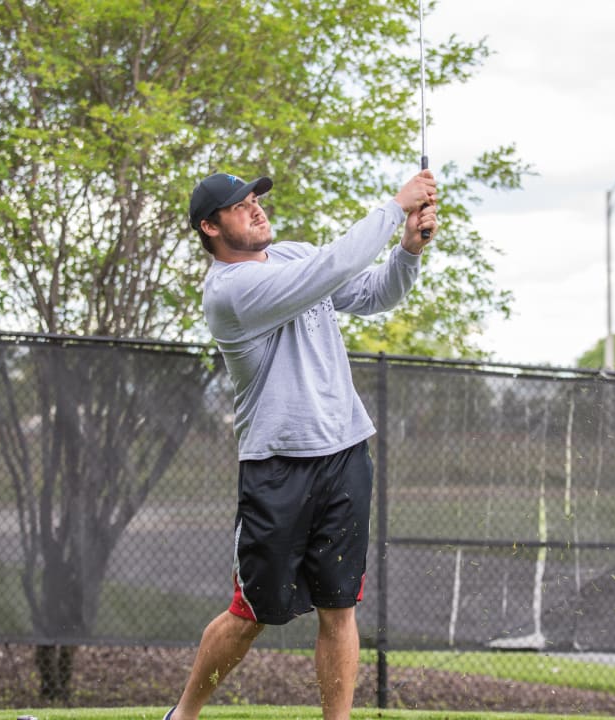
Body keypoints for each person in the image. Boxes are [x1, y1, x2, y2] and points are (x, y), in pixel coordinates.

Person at [166, 169, 438, 720]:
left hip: (344, 455)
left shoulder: (291, 256)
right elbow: (334, 266)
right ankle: (184, 716)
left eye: (255, 200)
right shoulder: (230, 292)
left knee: (339, 608)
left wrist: (407, 251)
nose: (256, 209)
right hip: (277, 468)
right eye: (240, 207)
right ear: (209, 227)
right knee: (251, 614)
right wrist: (394, 207)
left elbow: (373, 292)